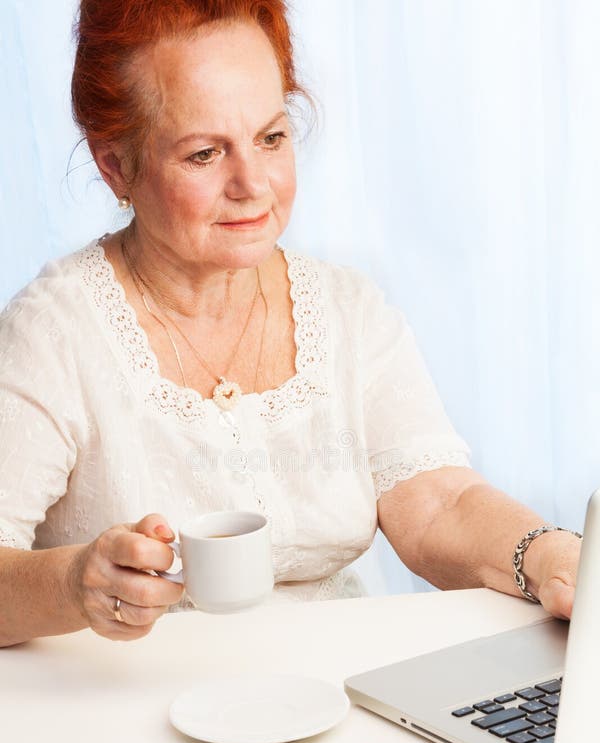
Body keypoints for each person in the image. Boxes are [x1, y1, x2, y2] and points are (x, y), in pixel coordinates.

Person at [0, 0, 581, 647]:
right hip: (121, 722)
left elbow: (438, 504)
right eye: (203, 154)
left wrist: (553, 557)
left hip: (340, 698)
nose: (252, 183)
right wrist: (74, 582)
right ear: (115, 166)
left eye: (271, 138)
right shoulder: (53, 332)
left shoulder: (347, 310)